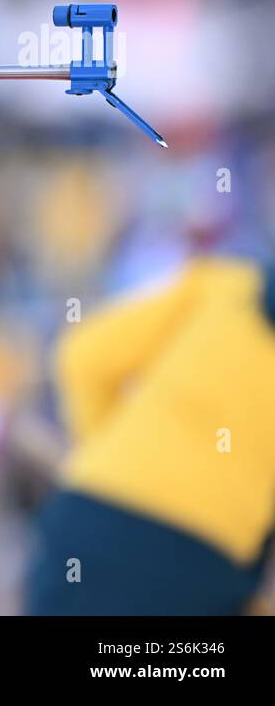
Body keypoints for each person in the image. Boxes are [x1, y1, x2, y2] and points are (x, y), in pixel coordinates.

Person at [26, 256, 275, 614]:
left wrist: (105, 454)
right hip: (201, 563)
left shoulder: (227, 287)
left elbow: (83, 355)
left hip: (90, 516)